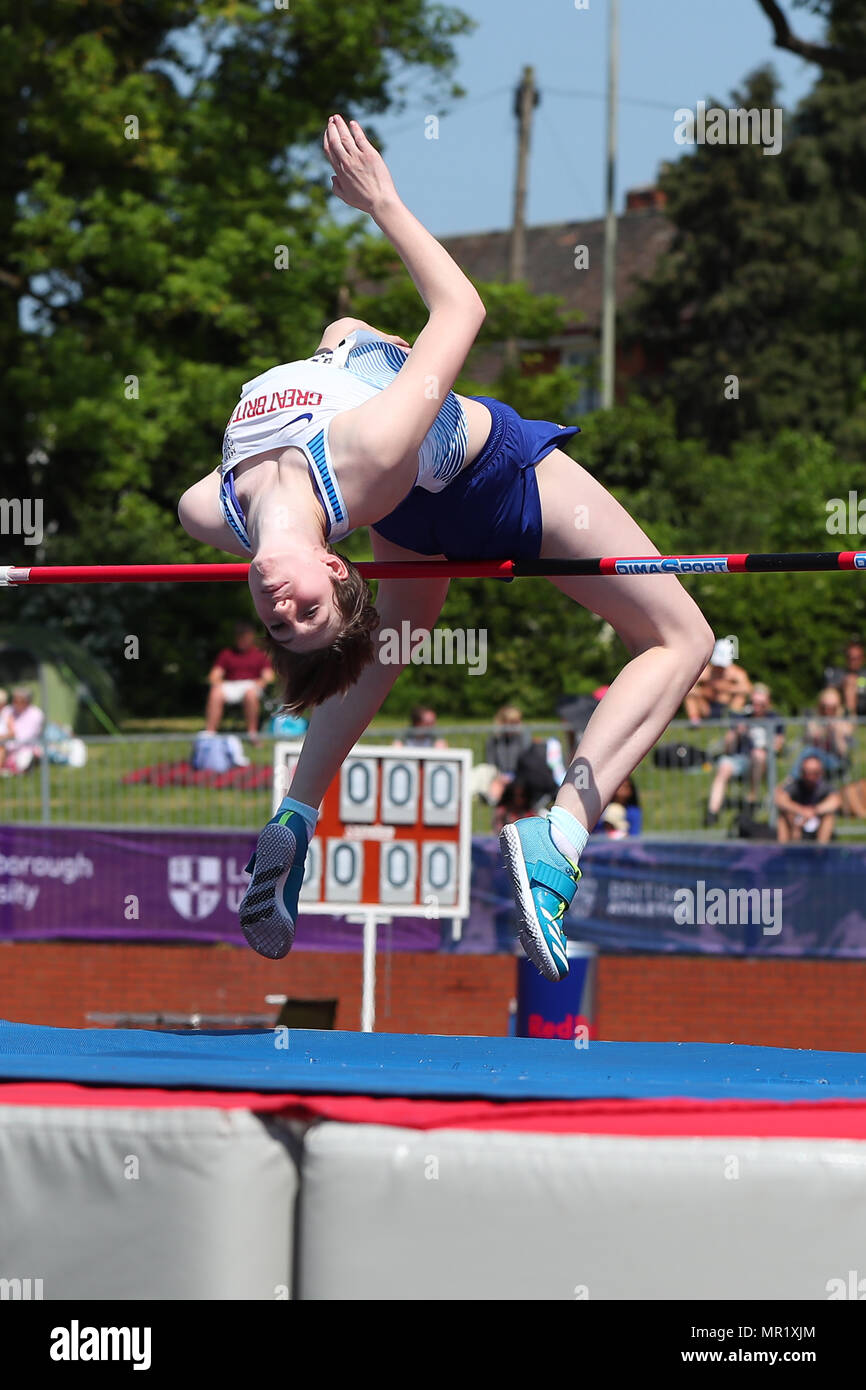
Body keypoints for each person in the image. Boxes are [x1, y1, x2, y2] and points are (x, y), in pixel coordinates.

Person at [178, 114, 714, 982]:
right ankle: (559, 834)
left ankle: (293, 818)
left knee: (389, 629)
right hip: (499, 490)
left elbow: (251, 460)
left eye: (281, 621)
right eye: (307, 612)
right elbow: (463, 307)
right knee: (679, 636)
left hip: (409, 531)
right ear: (337, 566)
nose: (283, 608)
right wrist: (381, 202)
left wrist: (351, 346)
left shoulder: (215, 511)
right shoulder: (364, 454)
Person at [705, 683, 784, 826]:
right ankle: (712, 812)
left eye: (761, 704)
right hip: (741, 758)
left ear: (767, 703)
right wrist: (736, 732)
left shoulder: (774, 719)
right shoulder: (742, 717)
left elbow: (778, 746)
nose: (757, 707)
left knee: (758, 756)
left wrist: (765, 747)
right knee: (724, 767)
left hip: (763, 760)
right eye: (754, 703)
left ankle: (751, 801)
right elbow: (728, 748)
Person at [205, 622, 274, 741]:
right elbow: (214, 675)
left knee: (250, 694)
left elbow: (269, 676)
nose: (243, 640)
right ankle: (210, 734)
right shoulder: (226, 654)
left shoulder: (259, 655)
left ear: (251, 637)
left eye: (245, 636)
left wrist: (261, 682)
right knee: (215, 692)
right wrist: (217, 682)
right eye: (240, 636)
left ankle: (252, 734)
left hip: (252, 685)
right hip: (231, 685)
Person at [775, 755, 841, 843]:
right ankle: (787, 851)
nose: (811, 777)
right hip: (797, 822)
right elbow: (780, 799)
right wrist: (801, 811)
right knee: (784, 816)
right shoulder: (796, 785)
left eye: (815, 772)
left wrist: (814, 811)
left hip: (817, 821)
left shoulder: (824, 786)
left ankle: (821, 851)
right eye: (807, 772)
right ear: (802, 773)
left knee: (829, 817)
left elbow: (836, 801)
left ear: (821, 772)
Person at [684, 638, 751, 723]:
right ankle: (695, 722)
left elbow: (748, 689)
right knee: (690, 696)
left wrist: (727, 688)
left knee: (741, 696)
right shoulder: (706, 672)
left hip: (728, 707)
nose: (719, 668)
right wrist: (705, 691)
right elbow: (688, 688)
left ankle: (734, 719)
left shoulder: (736, 673)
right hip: (707, 708)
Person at [792, 686, 853, 780]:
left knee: (809, 751)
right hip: (815, 757)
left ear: (838, 706)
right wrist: (821, 729)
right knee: (810, 752)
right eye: (824, 706)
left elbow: (843, 751)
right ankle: (792, 782)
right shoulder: (814, 718)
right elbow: (809, 736)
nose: (827, 710)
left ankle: (791, 780)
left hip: (835, 760)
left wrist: (836, 732)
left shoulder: (844, 721)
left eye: (832, 707)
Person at [0, 686, 45, 774]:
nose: (15, 703)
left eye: (18, 701)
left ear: (26, 701)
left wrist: (7, 737)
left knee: (23, 760)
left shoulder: (36, 714)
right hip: (6, 746)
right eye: (14, 700)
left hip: (25, 748)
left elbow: (26, 737)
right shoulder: (8, 710)